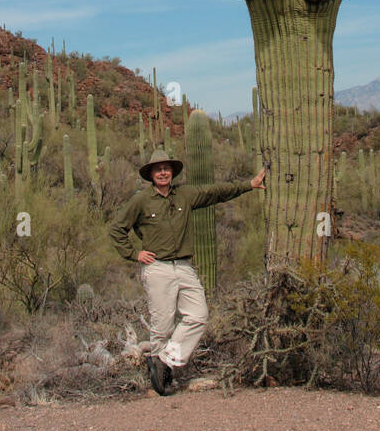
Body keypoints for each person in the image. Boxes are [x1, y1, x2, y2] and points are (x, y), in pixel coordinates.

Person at [108, 146, 266, 395]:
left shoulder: (185, 195)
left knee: (198, 315)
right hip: (157, 267)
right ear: (150, 174)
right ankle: (160, 382)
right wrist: (133, 253)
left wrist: (249, 184)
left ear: (172, 172)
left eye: (166, 168)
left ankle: (166, 361)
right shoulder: (141, 200)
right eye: (158, 169)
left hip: (184, 266)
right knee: (162, 323)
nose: (162, 173)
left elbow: (215, 193)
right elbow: (117, 229)